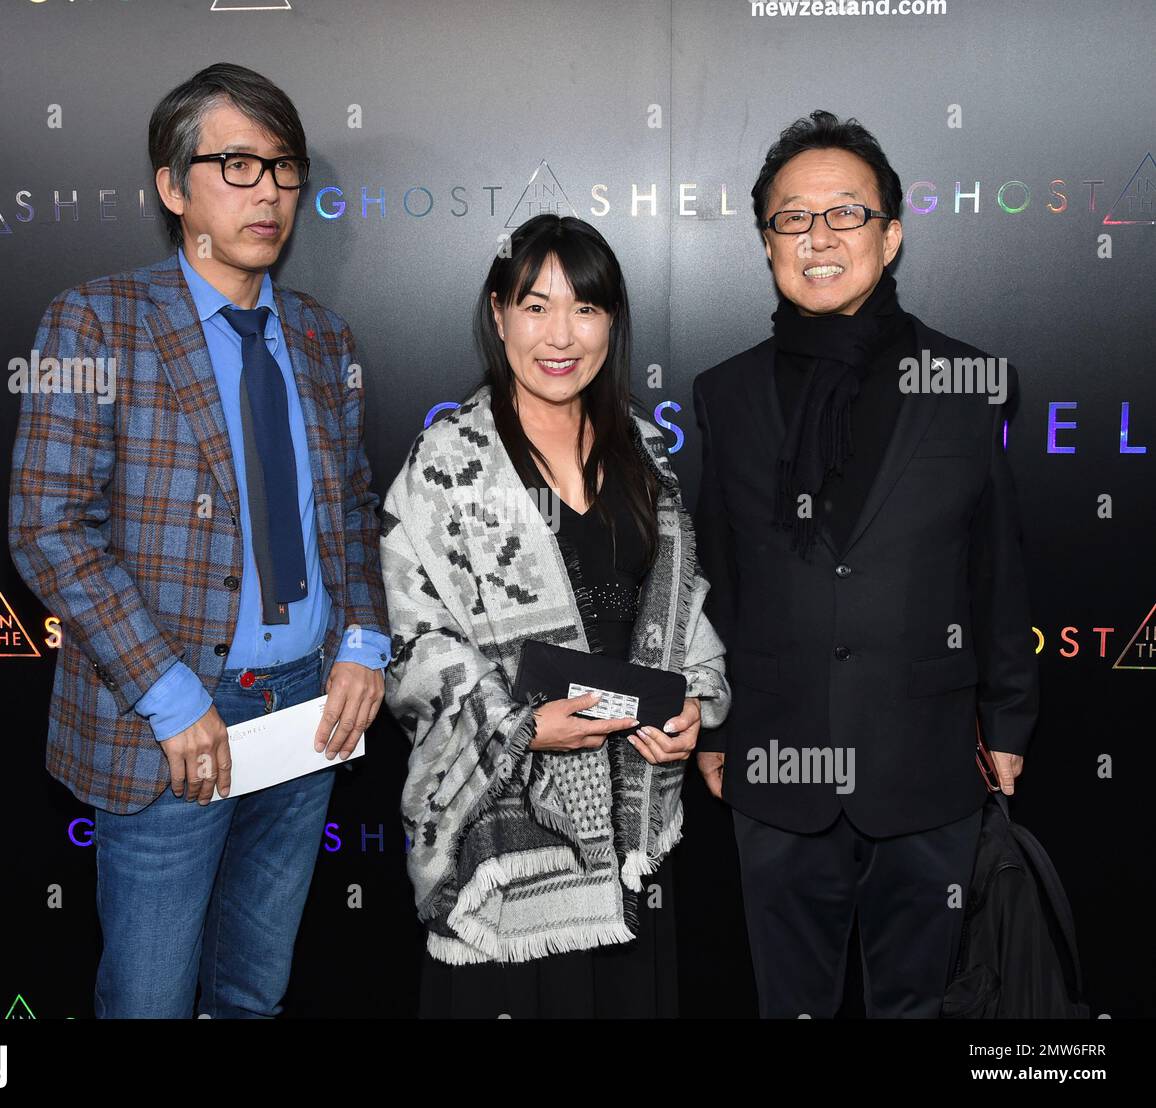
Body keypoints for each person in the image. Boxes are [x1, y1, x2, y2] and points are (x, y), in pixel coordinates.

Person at [7, 63, 390, 1018]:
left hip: (306, 709)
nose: (267, 190)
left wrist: (364, 643)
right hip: (169, 721)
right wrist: (172, 698)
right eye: (235, 164)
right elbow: (49, 528)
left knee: (254, 990)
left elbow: (348, 512)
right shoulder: (96, 321)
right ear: (173, 188)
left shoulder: (323, 338)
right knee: (148, 1000)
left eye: (284, 167)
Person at [692, 110, 1039, 1018]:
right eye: (791, 218)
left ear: (891, 234)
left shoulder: (969, 383)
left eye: (844, 214)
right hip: (775, 762)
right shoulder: (726, 393)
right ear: (766, 241)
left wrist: (1007, 721)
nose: (817, 238)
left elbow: (997, 568)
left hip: (925, 763)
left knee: (920, 1007)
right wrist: (721, 729)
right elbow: (716, 578)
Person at [381, 213, 731, 1018]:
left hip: (634, 821)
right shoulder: (447, 462)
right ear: (497, 312)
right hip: (509, 837)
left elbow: (684, 610)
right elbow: (413, 639)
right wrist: (519, 728)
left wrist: (693, 705)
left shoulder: (643, 451)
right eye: (535, 306)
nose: (560, 333)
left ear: (612, 321)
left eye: (586, 308)